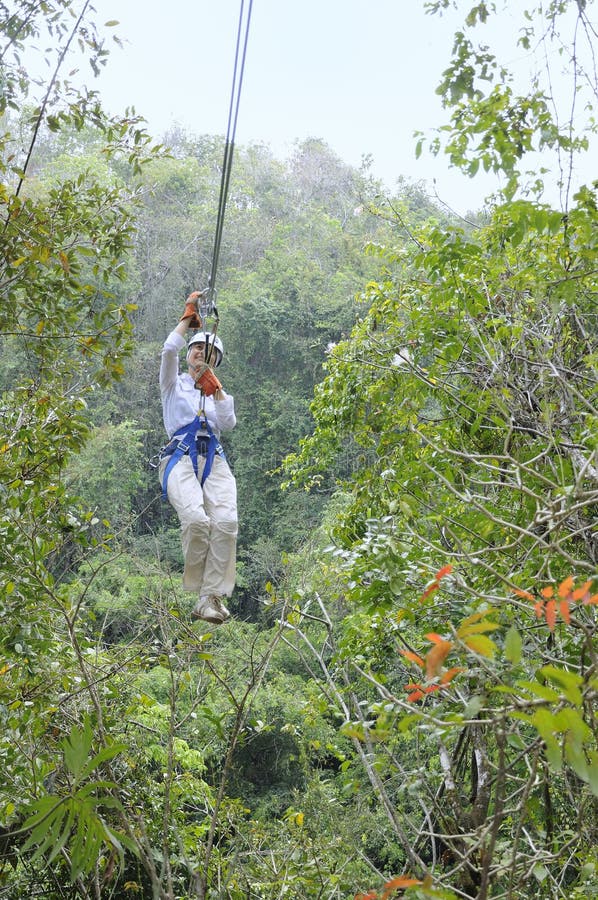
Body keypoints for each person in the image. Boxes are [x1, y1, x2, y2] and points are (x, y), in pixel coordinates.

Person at [158, 290, 238, 624]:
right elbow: (167, 350)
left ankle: (211, 597)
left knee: (226, 522)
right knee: (196, 520)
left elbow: (228, 423)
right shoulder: (172, 385)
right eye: (197, 349)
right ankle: (200, 589)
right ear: (190, 353)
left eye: (208, 353)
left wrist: (215, 388)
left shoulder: (217, 391)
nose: (201, 355)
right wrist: (185, 321)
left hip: (213, 457)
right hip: (179, 456)